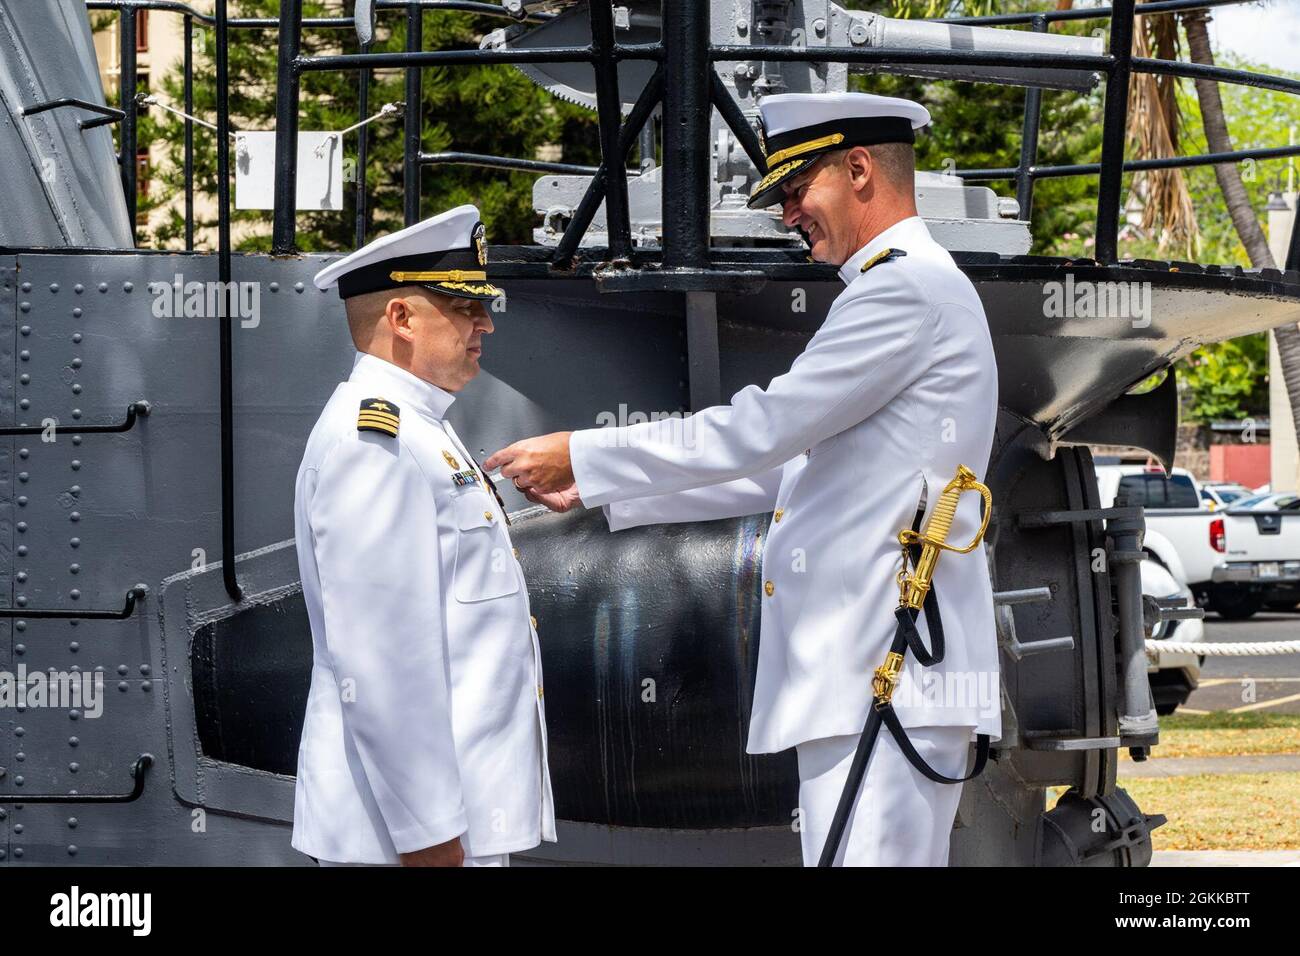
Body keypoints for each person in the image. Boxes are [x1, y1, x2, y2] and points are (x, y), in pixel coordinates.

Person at [484, 93, 1001, 866]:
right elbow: (796, 469)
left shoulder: (903, 289)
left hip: (885, 672)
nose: (790, 214)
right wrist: (605, 490)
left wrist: (585, 454)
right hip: (874, 676)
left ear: (859, 168)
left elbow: (762, 428)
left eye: (797, 191)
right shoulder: (902, 286)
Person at [293, 204, 554, 867]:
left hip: (448, 827)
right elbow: (381, 663)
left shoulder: (419, 427)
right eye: (463, 306)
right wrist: (431, 842)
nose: (485, 322)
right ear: (401, 318)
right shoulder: (372, 442)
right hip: (407, 842)